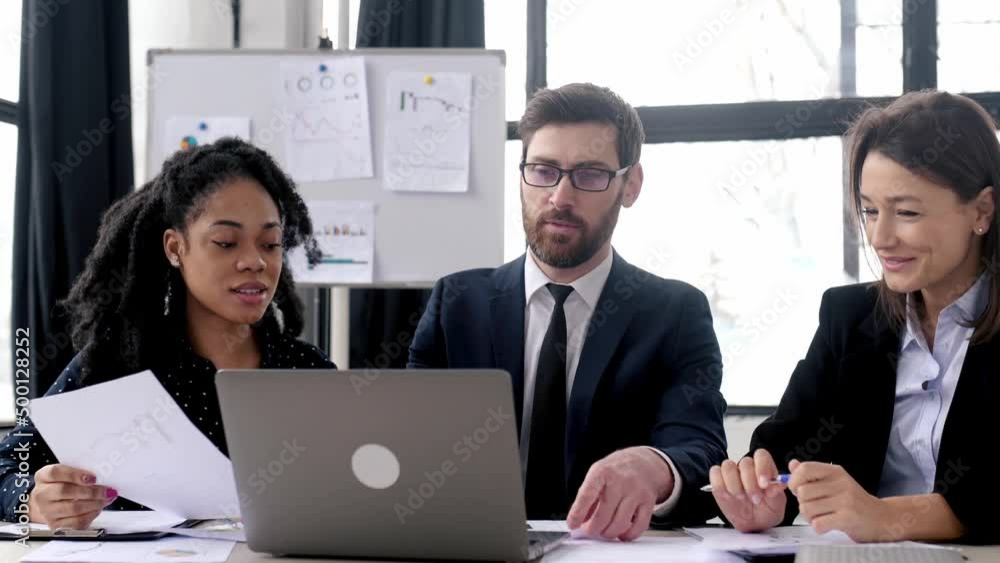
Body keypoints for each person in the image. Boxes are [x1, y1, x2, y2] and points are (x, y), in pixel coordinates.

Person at [408, 83, 728, 540]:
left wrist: (656, 466)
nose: (559, 197)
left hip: (611, 553)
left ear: (630, 185)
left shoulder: (674, 313)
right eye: (543, 170)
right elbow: (410, 443)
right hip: (473, 546)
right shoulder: (456, 303)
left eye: (590, 175)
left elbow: (700, 448)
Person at [709, 91, 1000, 544]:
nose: (880, 237)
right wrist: (764, 499)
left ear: (981, 210)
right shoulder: (849, 317)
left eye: (906, 212)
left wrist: (887, 516)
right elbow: (786, 452)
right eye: (869, 210)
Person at [0, 138, 335, 529]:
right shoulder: (115, 365)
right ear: (175, 248)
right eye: (226, 243)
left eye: (271, 243)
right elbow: (7, 465)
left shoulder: (308, 372)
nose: (255, 261)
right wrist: (33, 501)